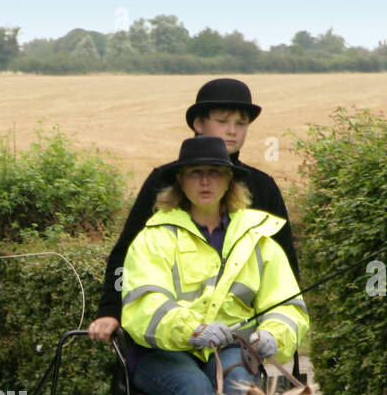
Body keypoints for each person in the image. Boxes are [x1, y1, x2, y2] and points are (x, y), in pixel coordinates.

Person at [91, 78, 299, 342]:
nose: (233, 131)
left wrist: (277, 332)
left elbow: (285, 266)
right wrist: (112, 310)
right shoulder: (162, 181)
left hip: (241, 342)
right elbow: (127, 253)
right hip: (173, 338)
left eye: (241, 123)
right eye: (222, 121)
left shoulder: (263, 187)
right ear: (198, 124)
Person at [120, 136, 307, 395]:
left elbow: (287, 306)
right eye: (196, 173)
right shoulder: (153, 238)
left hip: (233, 350)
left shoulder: (259, 239)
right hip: (160, 353)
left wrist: (273, 335)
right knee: (194, 389)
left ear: (229, 180)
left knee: (240, 391)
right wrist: (193, 329)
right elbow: (145, 306)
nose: (205, 181)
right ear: (181, 181)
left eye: (215, 172)